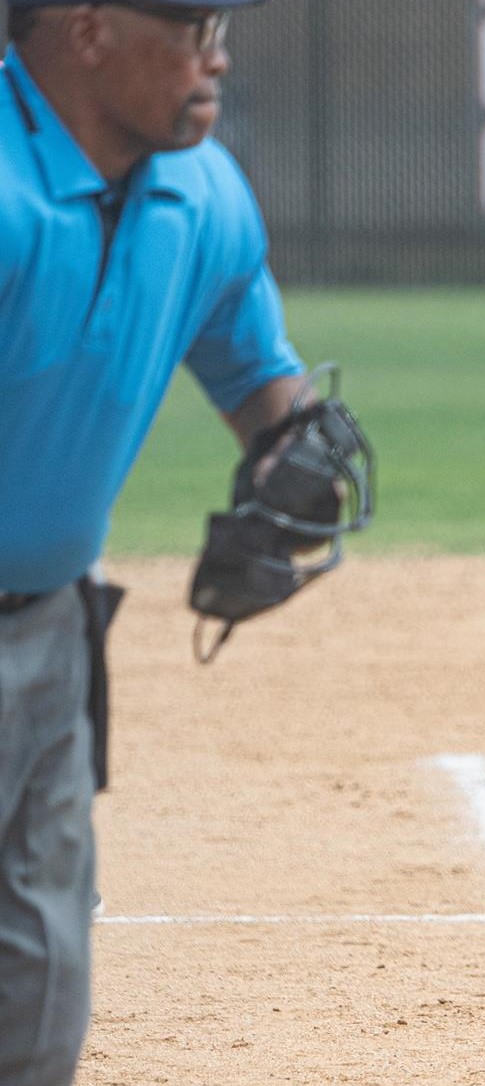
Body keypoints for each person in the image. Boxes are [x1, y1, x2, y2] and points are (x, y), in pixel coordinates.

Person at [0, 3, 313, 1083]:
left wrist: (290, 472)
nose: (217, 55)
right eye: (190, 27)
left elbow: (263, 386)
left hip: (49, 628)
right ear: (87, 31)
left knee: (42, 963)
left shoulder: (199, 193)